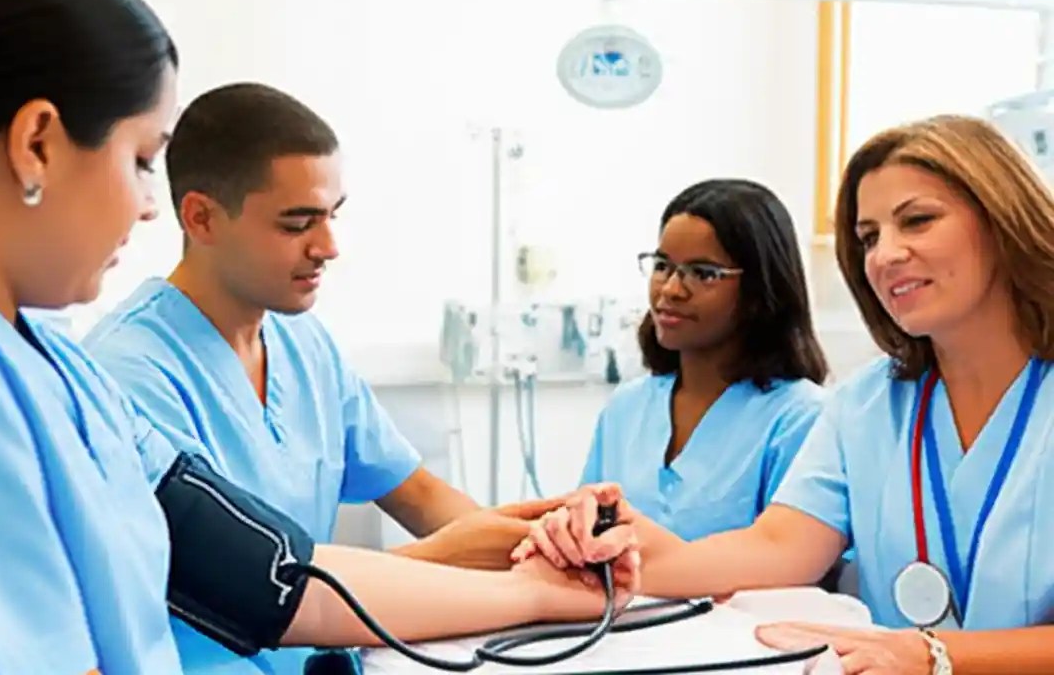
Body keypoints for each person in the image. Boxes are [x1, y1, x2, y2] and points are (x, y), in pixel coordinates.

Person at [0, 0, 637, 675]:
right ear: (37, 141)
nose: (148, 206)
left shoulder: (39, 355)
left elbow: (272, 580)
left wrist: (539, 590)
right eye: (142, 159)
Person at [519, 115, 1054, 673]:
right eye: (869, 237)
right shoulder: (867, 406)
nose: (885, 255)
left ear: (1003, 220)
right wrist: (619, 550)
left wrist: (934, 654)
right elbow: (779, 546)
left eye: (917, 221)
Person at [84, 83, 547, 560]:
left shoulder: (303, 344)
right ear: (201, 219)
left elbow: (420, 495)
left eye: (332, 216)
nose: (328, 246)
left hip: (325, 630)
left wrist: (540, 548)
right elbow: (254, 585)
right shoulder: (128, 374)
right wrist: (448, 557)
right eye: (296, 224)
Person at [577, 179, 828, 545]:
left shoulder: (800, 418)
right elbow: (584, 532)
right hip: (615, 604)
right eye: (663, 265)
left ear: (761, 289)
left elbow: (796, 564)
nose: (671, 289)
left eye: (704, 273)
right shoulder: (626, 408)